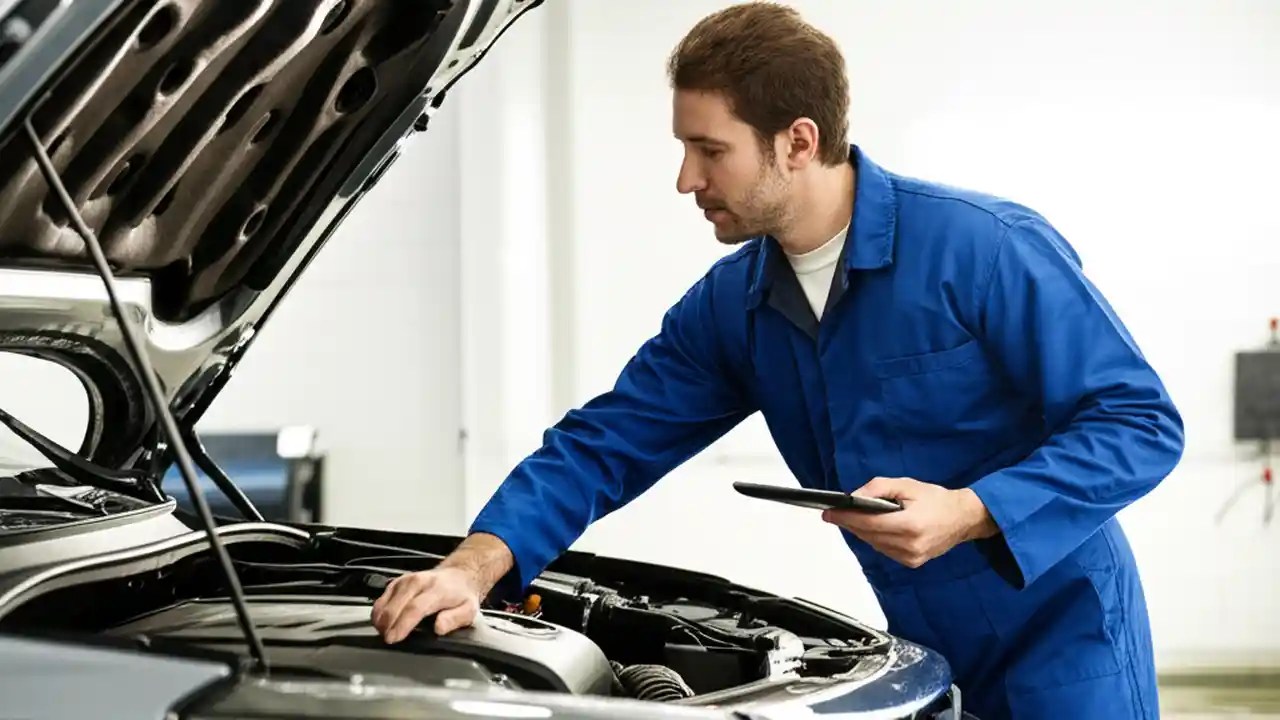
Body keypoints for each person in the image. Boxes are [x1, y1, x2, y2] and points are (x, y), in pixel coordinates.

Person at [371, 3, 1183, 718]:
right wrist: (476, 566)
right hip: (920, 653)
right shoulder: (733, 307)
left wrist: (970, 511)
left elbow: (1141, 423)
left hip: (1067, 645)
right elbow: (604, 444)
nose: (686, 178)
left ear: (798, 141)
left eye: (709, 150)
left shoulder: (987, 249)